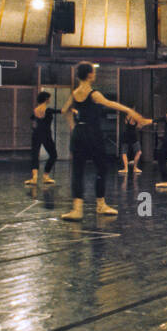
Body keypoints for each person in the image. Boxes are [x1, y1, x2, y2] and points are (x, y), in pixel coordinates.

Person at [60, 63, 148, 220]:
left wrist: (74, 127)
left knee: (78, 170)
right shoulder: (93, 93)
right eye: (93, 72)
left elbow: (64, 111)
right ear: (89, 75)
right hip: (92, 134)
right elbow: (111, 104)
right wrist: (130, 111)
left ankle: (77, 210)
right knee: (101, 168)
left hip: (79, 134)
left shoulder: (75, 93)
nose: (94, 74)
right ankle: (100, 205)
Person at [25, 92, 60, 186]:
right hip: (46, 134)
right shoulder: (48, 110)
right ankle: (45, 176)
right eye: (49, 98)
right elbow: (61, 111)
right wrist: (71, 109)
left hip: (36, 133)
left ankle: (34, 178)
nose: (50, 99)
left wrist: (36, 126)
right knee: (53, 155)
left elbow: (32, 118)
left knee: (35, 155)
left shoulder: (36, 109)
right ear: (46, 99)